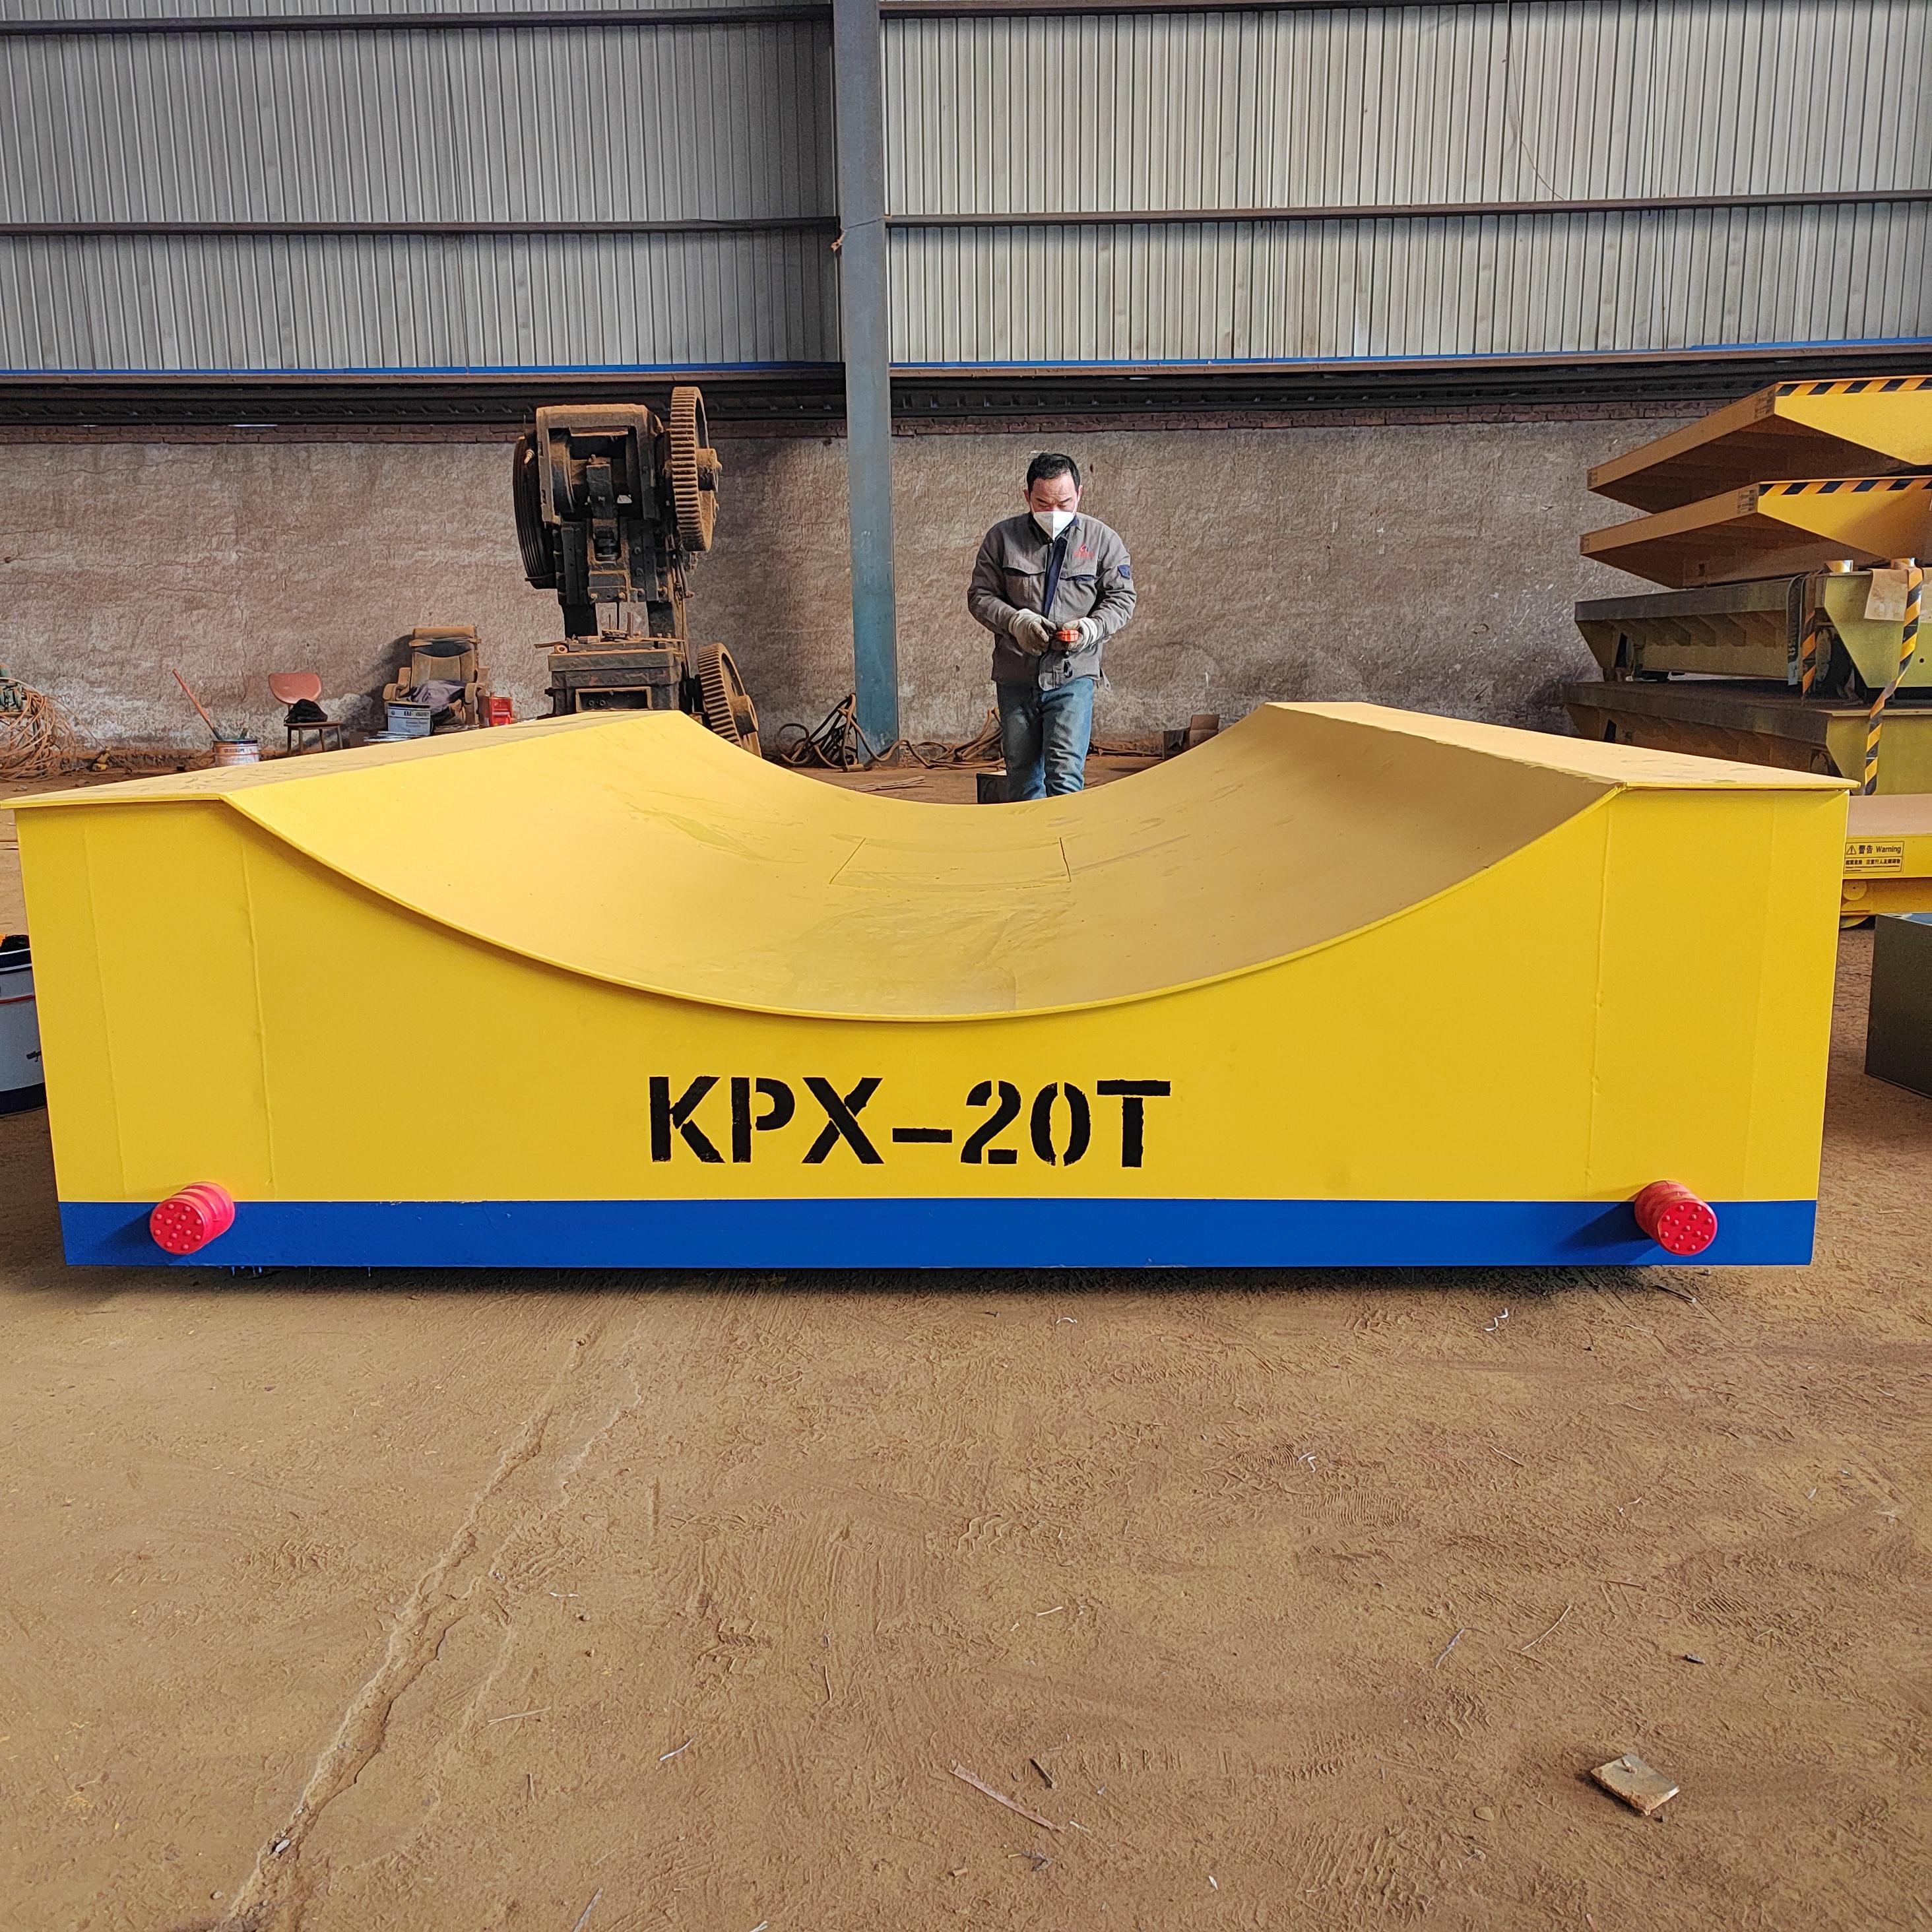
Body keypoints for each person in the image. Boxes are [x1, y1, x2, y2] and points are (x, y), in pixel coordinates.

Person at [966, 453, 1136, 798]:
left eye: (1064, 502)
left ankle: (1064, 834)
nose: (1054, 512)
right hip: (1017, 675)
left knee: (1065, 775)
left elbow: (1122, 598)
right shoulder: (1002, 538)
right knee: (1022, 776)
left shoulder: (1102, 541)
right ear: (1027, 496)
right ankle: (1030, 834)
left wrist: (1091, 628)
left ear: (1080, 494)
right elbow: (980, 596)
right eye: (1043, 504)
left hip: (1073, 675)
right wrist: (1016, 621)